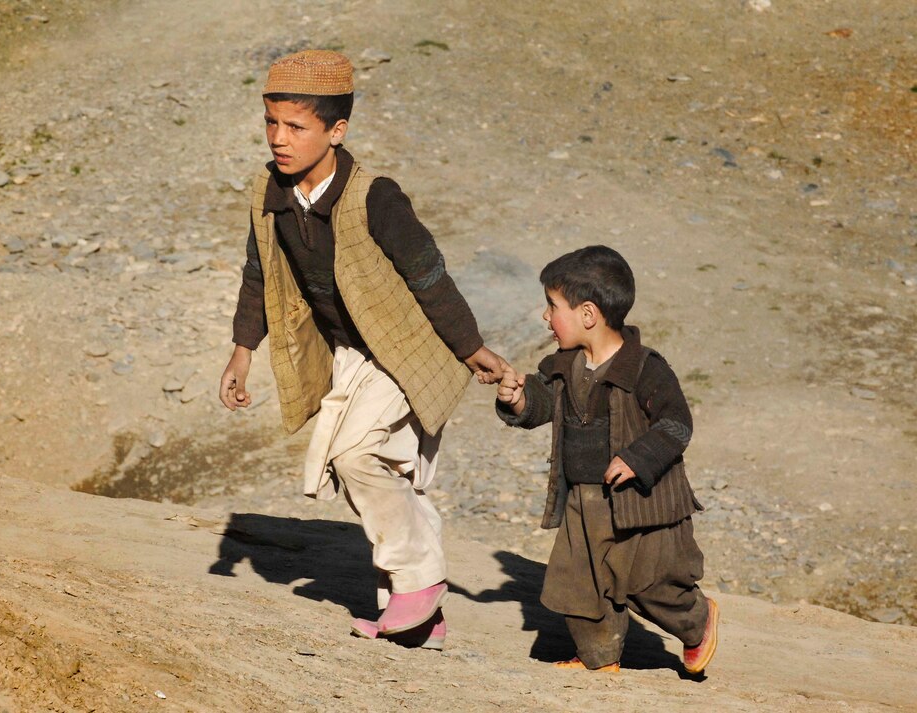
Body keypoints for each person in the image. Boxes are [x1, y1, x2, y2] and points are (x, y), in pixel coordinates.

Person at [219, 49, 505, 648]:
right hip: (350, 356)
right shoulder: (267, 193)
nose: (279, 138)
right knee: (360, 470)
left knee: (352, 457)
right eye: (271, 122)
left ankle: (420, 582)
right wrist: (243, 351)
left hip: (407, 351)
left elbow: (429, 275)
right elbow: (259, 274)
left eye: (296, 126)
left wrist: (472, 348)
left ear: (336, 131)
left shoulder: (376, 196)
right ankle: (421, 617)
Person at [494, 245, 719, 674]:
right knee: (577, 583)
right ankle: (599, 657)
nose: (545, 317)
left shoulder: (645, 368)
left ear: (588, 314)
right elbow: (542, 403)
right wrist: (520, 400)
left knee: (650, 583)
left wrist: (637, 458)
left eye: (552, 306)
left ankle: (698, 621)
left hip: (643, 504)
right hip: (584, 500)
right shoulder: (562, 364)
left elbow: (677, 424)